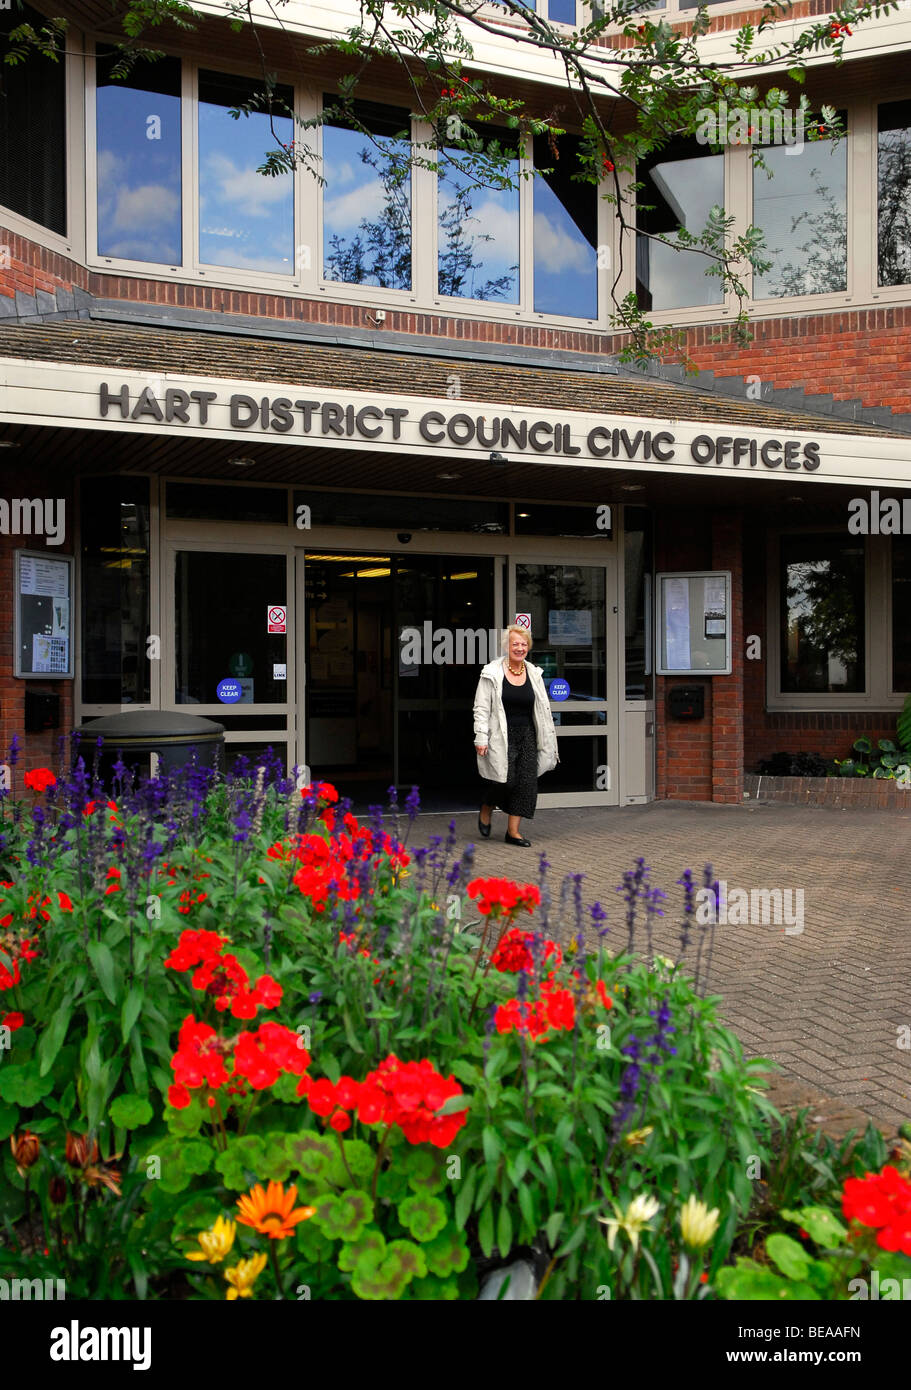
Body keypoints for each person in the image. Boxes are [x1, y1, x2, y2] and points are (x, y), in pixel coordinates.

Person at [473, 625, 558, 846]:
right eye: (515, 644)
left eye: (523, 644)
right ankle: (488, 805)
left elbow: (542, 709)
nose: (519, 648)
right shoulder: (491, 673)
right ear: (507, 646)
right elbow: (481, 708)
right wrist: (481, 737)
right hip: (501, 735)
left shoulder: (534, 673)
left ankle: (513, 832)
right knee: (506, 781)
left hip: (528, 734)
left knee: (526, 783)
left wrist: (549, 738)